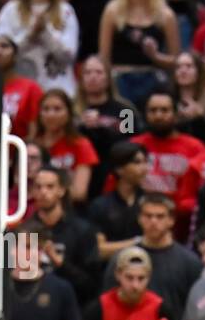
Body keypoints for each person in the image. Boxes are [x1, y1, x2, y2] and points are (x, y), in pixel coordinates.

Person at [0, 0, 81, 96]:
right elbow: (0, 53)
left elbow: (69, 55)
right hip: (21, 88)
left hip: (57, 87)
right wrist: (30, 35)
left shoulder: (65, 11)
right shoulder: (10, 10)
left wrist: (45, 34)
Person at [99, 0, 180, 108]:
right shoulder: (112, 11)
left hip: (152, 79)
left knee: (150, 124)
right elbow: (104, 57)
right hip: (120, 80)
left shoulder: (165, 15)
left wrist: (155, 56)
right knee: (127, 126)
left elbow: (175, 60)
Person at [22, 167, 101, 307]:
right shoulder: (23, 231)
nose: (43, 192)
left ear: (62, 190)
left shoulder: (83, 231)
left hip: (72, 307)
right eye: (38, 187)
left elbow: (92, 285)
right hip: (30, 305)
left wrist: (60, 263)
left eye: (50, 187)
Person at [124, 193, 203, 320]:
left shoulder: (190, 262)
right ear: (139, 218)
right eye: (148, 216)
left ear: (171, 220)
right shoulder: (125, 259)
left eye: (160, 216)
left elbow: (198, 305)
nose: (153, 221)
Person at [132, 90, 205, 222]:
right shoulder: (134, 145)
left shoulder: (195, 147)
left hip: (181, 220)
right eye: (153, 110)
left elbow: (202, 189)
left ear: (176, 114)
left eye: (164, 110)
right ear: (145, 114)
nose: (158, 115)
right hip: (139, 216)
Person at [74, 54, 139, 198]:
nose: (93, 77)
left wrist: (102, 128)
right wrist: (80, 126)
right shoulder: (72, 111)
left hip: (113, 175)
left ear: (108, 78)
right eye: (88, 73)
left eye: (98, 72)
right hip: (79, 176)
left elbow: (130, 144)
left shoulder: (125, 111)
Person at [87, 142, 148, 262]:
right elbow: (100, 250)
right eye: (137, 162)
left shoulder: (150, 202)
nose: (145, 168)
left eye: (145, 162)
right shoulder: (100, 206)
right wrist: (138, 242)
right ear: (119, 169)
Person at [35, 88, 98, 204]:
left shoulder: (81, 145)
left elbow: (79, 192)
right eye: (46, 109)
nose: (51, 114)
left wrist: (48, 193)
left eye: (57, 109)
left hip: (69, 210)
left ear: (69, 113)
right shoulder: (32, 145)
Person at [0, 36, 44, 142]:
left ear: (15, 55)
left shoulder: (31, 88)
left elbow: (34, 133)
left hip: (19, 152)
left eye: (4, 46)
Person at [171, 50, 205, 144]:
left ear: (199, 71)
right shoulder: (168, 101)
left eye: (189, 66)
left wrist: (199, 118)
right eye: (178, 67)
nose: (183, 71)